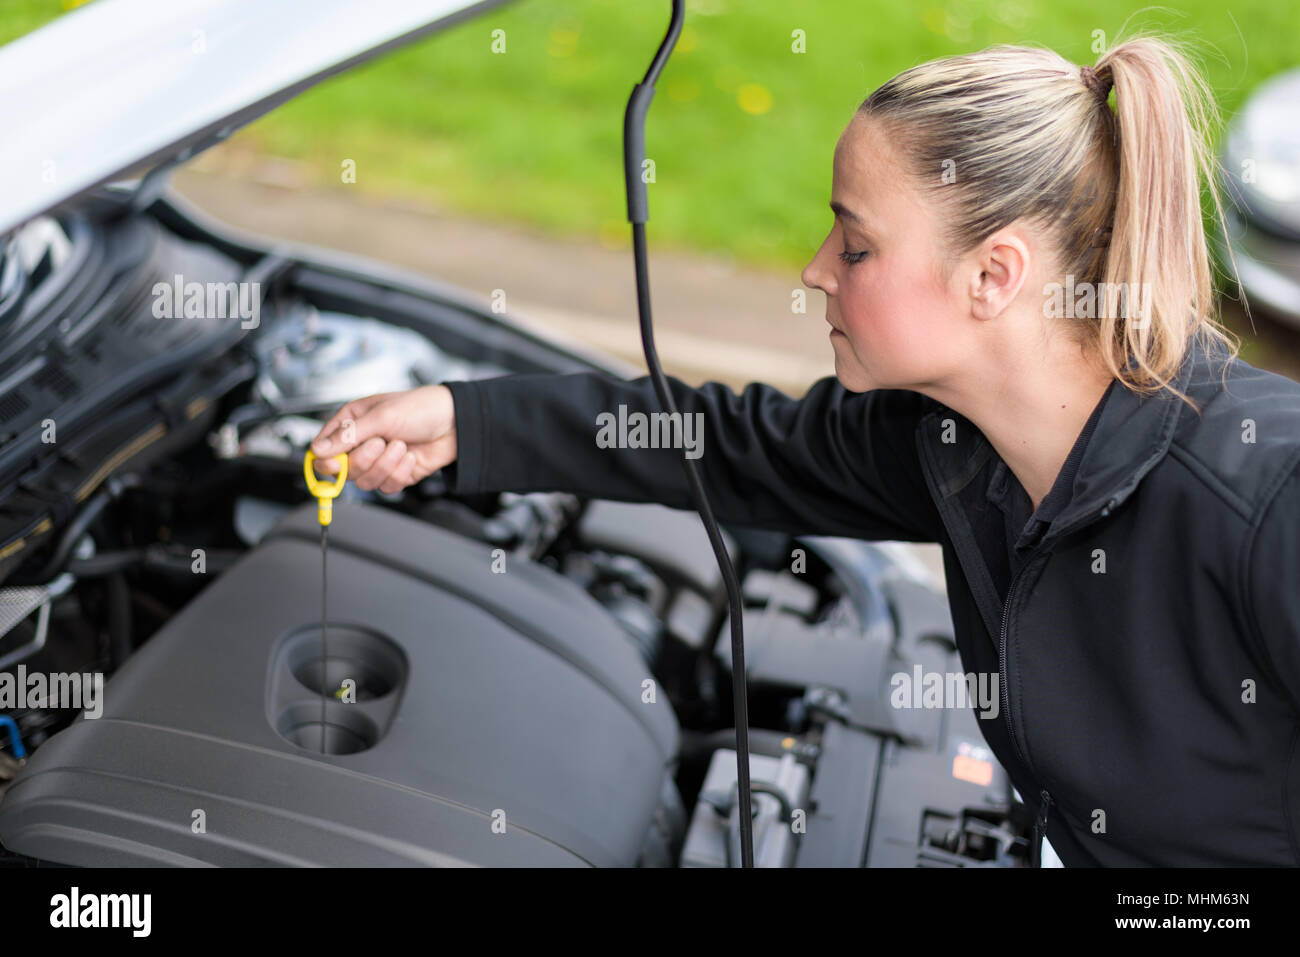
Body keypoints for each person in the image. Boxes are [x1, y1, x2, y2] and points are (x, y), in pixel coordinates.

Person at [311, 35, 1300, 867]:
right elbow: (727, 444)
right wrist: (465, 421)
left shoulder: (1265, 501)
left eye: (856, 246)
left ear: (993, 275)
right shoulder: (952, 443)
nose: (813, 271)